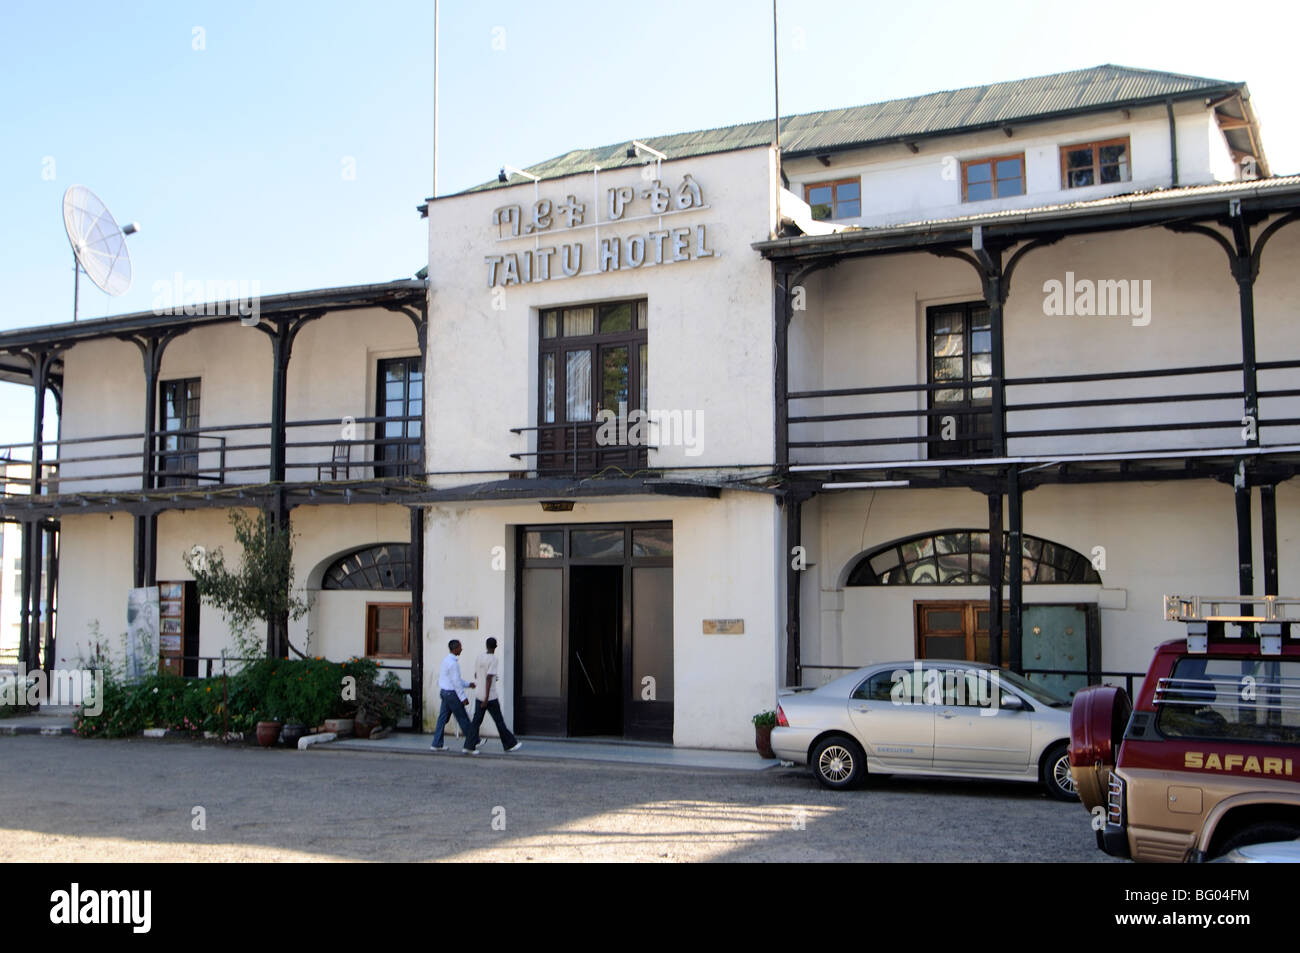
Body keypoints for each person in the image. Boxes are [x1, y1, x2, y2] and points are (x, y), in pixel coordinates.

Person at [470, 637, 522, 752]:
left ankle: (468, 745)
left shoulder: (479, 657)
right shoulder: (493, 659)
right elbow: (488, 678)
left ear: (486, 645)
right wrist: (487, 698)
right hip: (490, 697)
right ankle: (510, 744)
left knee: (476, 721)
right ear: (496, 646)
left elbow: (477, 675)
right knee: (499, 721)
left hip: (479, 693)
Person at [431, 639, 479, 753]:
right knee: (463, 718)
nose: (461, 649)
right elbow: (456, 682)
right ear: (455, 648)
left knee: (442, 719)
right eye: (460, 647)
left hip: (445, 692)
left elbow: (455, 679)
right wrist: (463, 697)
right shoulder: (453, 663)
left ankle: (436, 743)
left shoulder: (446, 660)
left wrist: (468, 684)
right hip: (452, 694)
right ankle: (471, 744)